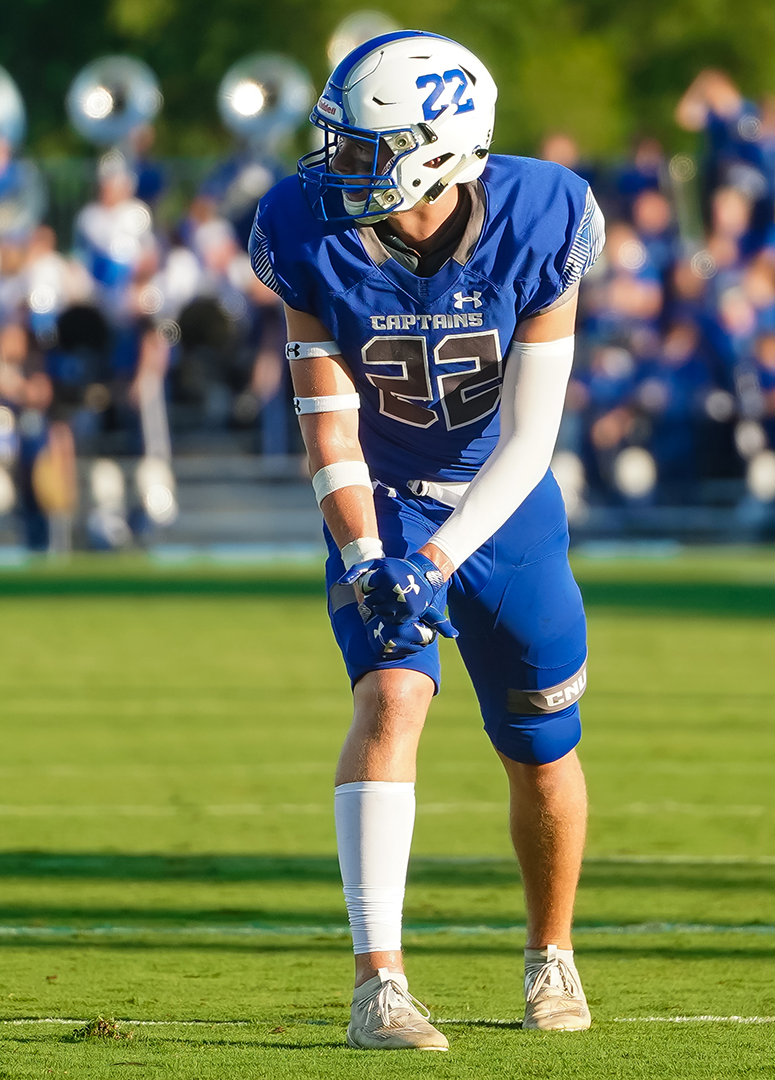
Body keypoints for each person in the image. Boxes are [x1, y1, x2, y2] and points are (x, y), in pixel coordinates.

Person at [251, 29, 600, 1050]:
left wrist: (441, 559)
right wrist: (368, 558)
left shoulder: (544, 217)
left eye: (367, 145)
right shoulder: (303, 227)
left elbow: (533, 438)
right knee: (393, 690)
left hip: (504, 500)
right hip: (386, 492)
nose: (340, 166)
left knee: (541, 743)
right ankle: (379, 985)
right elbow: (327, 423)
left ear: (443, 148)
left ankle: (553, 954)